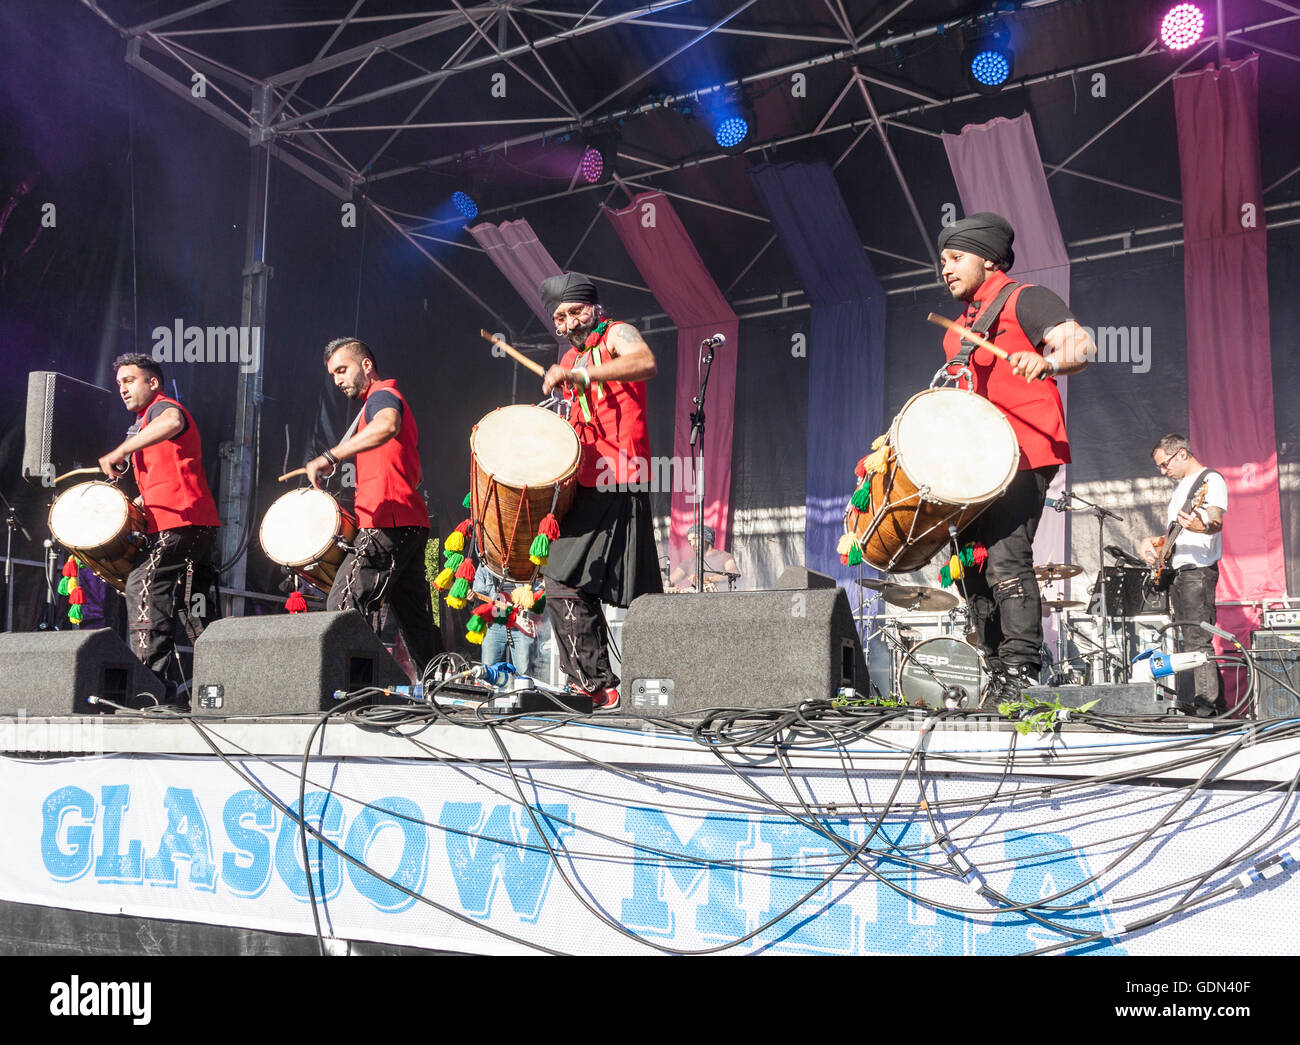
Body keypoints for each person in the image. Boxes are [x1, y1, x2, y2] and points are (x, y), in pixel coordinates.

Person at [936, 213, 1096, 706]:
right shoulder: (956, 331)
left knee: (1007, 554)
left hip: (1024, 449)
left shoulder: (1025, 299)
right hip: (975, 462)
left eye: (956, 258)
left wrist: (1048, 360)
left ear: (987, 258)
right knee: (969, 564)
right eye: (941, 261)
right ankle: (993, 661)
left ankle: (1022, 667)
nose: (945, 268)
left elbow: (1081, 344)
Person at [538, 272, 662, 710]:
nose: (569, 323)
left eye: (574, 312)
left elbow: (645, 362)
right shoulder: (577, 357)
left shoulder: (616, 335)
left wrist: (581, 374)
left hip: (617, 475)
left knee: (563, 578)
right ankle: (605, 685)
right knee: (575, 583)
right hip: (587, 480)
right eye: (560, 318)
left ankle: (596, 686)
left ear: (593, 306)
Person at [306, 338, 441, 676]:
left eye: (342, 369)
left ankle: (350, 691)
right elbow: (415, 469)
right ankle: (442, 685)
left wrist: (332, 455)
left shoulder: (382, 396)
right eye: (333, 374)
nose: (338, 379)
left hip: (386, 520)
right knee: (415, 618)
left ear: (365, 365)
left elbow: (388, 424)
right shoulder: (377, 402)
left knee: (344, 605)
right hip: (408, 521)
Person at [99, 353, 220, 697]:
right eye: (119, 383)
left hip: (178, 522)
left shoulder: (161, 409)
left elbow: (172, 421)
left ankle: (147, 686)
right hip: (193, 523)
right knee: (191, 606)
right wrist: (139, 500)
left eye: (129, 380)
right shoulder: (144, 421)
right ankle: (227, 676)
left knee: (144, 585)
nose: (122, 388)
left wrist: (120, 450)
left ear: (152, 382)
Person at [1139, 434, 1227, 716]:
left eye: (1165, 464)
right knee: (1189, 639)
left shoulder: (1210, 480)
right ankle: (1210, 704)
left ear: (1182, 454)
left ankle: (1207, 707)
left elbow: (1214, 522)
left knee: (1198, 639)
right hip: (1179, 571)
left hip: (1197, 573)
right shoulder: (1181, 489)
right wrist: (1153, 543)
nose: (1164, 471)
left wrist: (1203, 526)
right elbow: (1175, 537)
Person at [472, 569, 538, 677]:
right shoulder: (487, 562)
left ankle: (523, 693)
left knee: (525, 672)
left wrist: (528, 602)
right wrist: (471, 598)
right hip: (496, 622)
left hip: (520, 622)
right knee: (487, 670)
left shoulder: (524, 562)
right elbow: (479, 592)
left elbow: (540, 587)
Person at [668, 524, 739, 591]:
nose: (692, 544)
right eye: (690, 541)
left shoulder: (724, 556)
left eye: (695, 539)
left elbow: (733, 574)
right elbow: (670, 580)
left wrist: (709, 579)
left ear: (707, 538)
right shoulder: (689, 563)